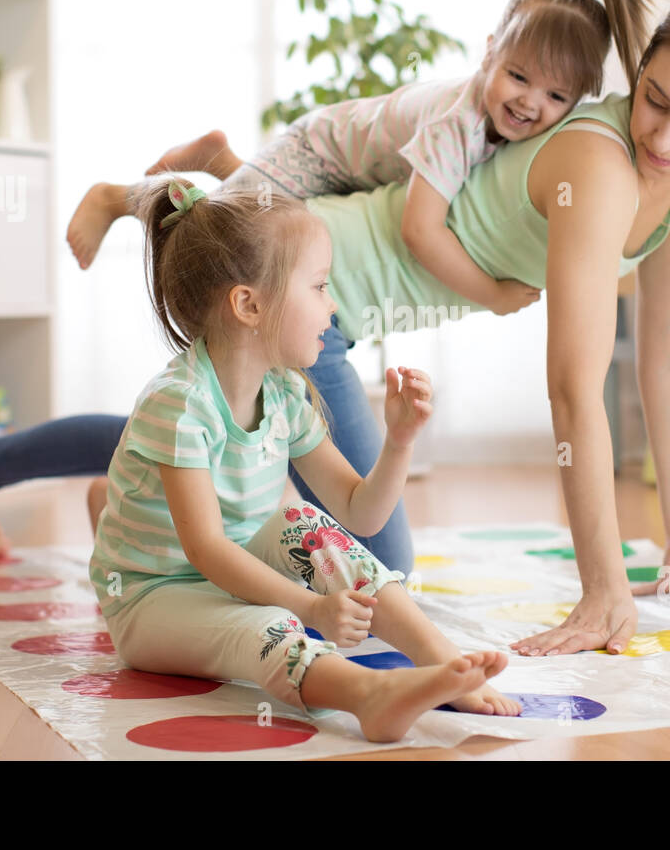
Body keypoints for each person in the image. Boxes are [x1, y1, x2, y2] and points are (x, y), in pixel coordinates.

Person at [0, 0, 670, 659]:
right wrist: (602, 587)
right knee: (368, 567)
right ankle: (41, 477)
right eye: (654, 98)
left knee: (226, 453)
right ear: (644, 68)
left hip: (339, 294)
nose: (666, 135)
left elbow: (669, 359)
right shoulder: (598, 163)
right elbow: (572, 388)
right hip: (320, 298)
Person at [90, 176, 519, 741]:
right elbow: (208, 550)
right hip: (154, 597)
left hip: (237, 569)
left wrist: (399, 442)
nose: (332, 304)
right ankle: (368, 696)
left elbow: (358, 515)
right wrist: (309, 610)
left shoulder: (286, 394)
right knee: (265, 625)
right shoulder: (180, 404)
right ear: (249, 304)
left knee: (303, 523)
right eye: (319, 286)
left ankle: (440, 658)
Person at [66, 0, 657, 329]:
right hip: (321, 153)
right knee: (222, 234)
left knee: (261, 214)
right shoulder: (461, 126)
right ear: (488, 54)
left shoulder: (536, 126)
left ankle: (225, 160)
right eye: (518, 77)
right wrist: (495, 296)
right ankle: (120, 197)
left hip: (351, 171)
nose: (530, 103)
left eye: (556, 96)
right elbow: (420, 232)